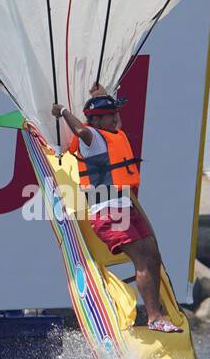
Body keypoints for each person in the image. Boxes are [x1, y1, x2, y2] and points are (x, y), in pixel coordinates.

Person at [51, 85, 182, 333]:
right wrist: (63, 111)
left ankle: (159, 314)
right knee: (142, 258)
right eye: (111, 115)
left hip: (124, 205)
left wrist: (98, 94)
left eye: (116, 113)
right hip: (108, 211)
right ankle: (154, 318)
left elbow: (99, 112)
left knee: (154, 255)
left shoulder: (112, 133)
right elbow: (79, 128)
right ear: (96, 120)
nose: (116, 118)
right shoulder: (92, 137)